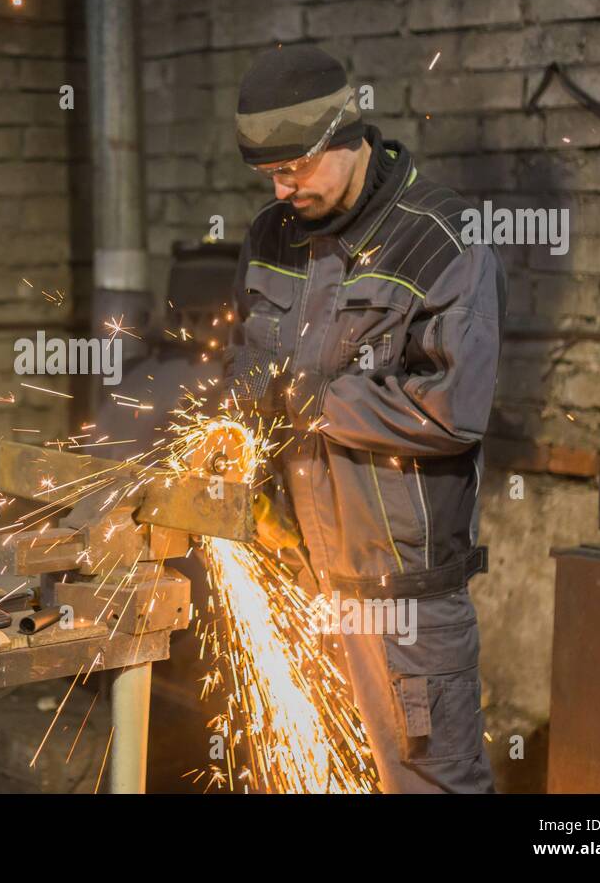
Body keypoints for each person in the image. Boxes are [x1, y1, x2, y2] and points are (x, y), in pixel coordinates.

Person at [226, 44, 506, 793]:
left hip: (402, 597)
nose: (284, 190)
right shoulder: (271, 234)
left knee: (429, 784)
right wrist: (238, 459)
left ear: (348, 135)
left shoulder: (440, 239)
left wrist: (316, 404)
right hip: (302, 576)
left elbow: (453, 410)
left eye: (297, 169)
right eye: (270, 175)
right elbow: (251, 371)